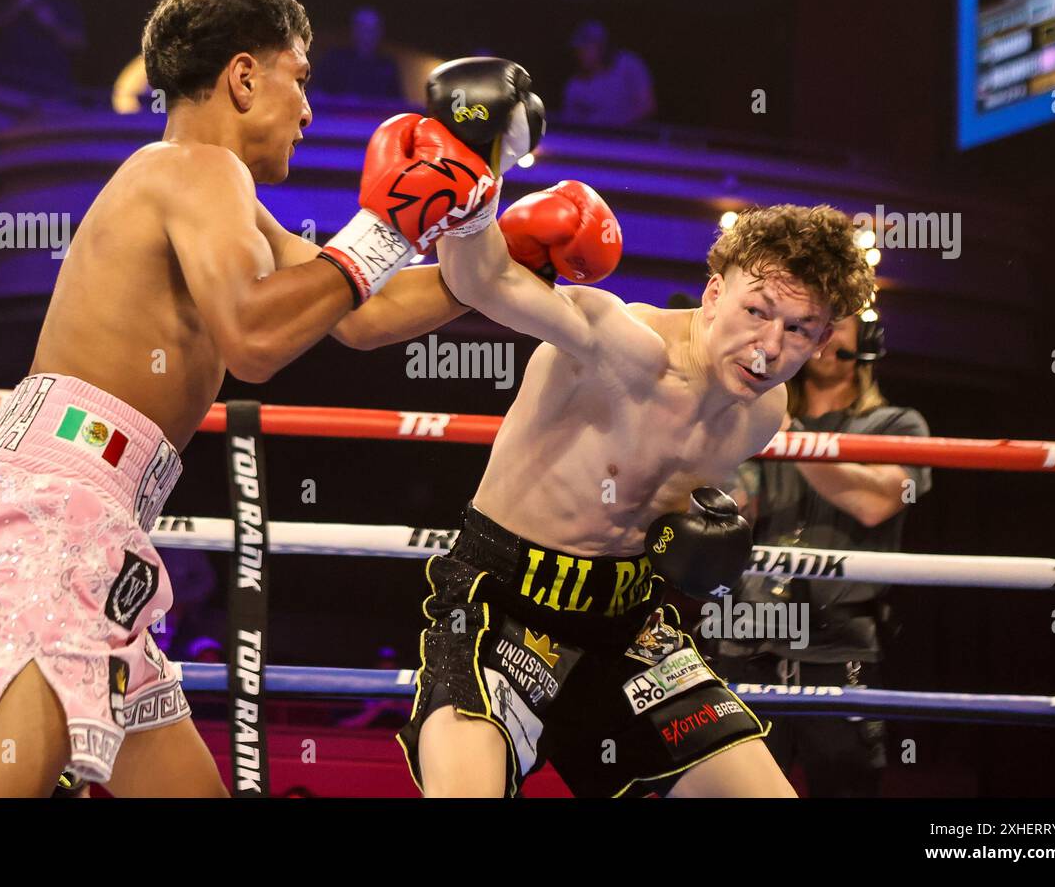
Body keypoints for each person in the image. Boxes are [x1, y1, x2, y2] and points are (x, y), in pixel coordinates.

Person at [0, 0, 541, 797]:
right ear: (245, 76)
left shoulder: (215, 195)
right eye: (302, 78)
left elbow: (358, 312)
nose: (310, 111)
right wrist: (390, 220)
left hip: (89, 522)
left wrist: (512, 257)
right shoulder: (192, 170)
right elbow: (255, 338)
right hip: (52, 517)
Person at [397, 195, 875, 797]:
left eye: (798, 328)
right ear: (713, 295)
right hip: (502, 606)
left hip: (629, 626)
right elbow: (481, 278)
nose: (768, 347)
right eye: (757, 311)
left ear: (824, 337)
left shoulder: (762, 411)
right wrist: (473, 174)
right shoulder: (615, 344)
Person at [704, 313, 931, 797]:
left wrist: (789, 433)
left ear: (864, 341)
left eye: (836, 324)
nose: (822, 337)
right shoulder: (761, 418)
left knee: (846, 786)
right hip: (750, 637)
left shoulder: (897, 423)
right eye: (811, 327)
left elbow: (875, 503)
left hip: (839, 642)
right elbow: (732, 506)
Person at [561, 20, 655, 126]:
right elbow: (571, 123)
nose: (581, 54)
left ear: (602, 46)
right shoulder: (574, 85)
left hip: (629, 138)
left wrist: (613, 123)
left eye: (586, 48)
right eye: (578, 49)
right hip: (591, 140)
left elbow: (647, 106)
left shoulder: (629, 65)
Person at [314, 7, 403, 98]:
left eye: (372, 30)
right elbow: (318, 94)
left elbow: (395, 102)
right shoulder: (334, 60)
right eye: (363, 29)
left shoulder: (387, 67)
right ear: (353, 30)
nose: (367, 35)